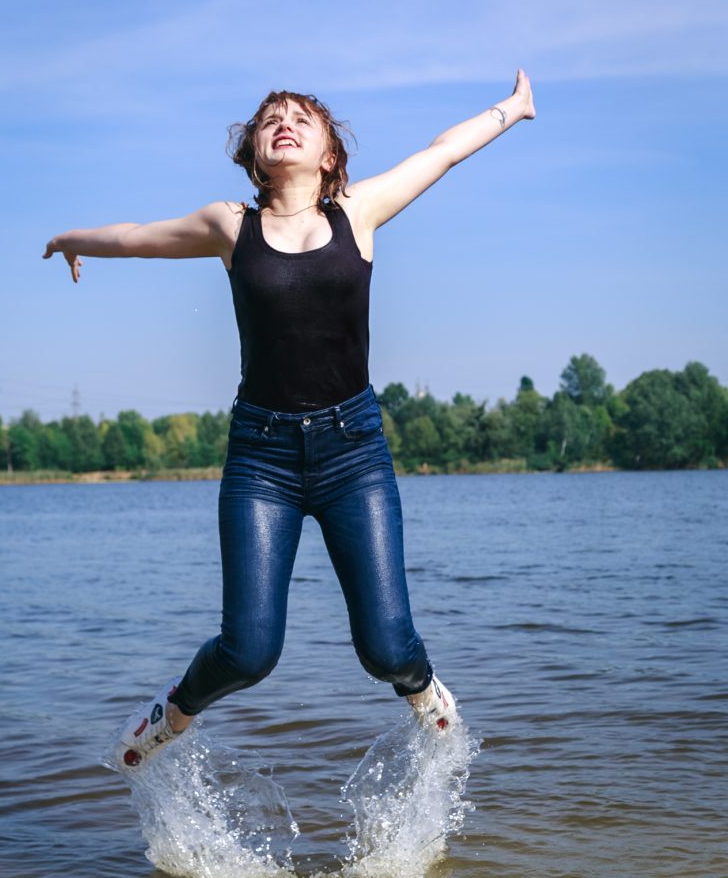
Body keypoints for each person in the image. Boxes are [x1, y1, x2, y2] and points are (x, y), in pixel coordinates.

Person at [44, 70, 535, 768]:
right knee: (249, 651)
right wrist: (76, 240)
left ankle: (425, 693)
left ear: (330, 153)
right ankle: (171, 714)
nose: (285, 121)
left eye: (302, 116)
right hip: (262, 458)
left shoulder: (357, 213)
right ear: (254, 154)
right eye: (271, 116)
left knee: (387, 648)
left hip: (353, 451)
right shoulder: (230, 225)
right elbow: (139, 236)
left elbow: (443, 151)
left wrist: (510, 110)